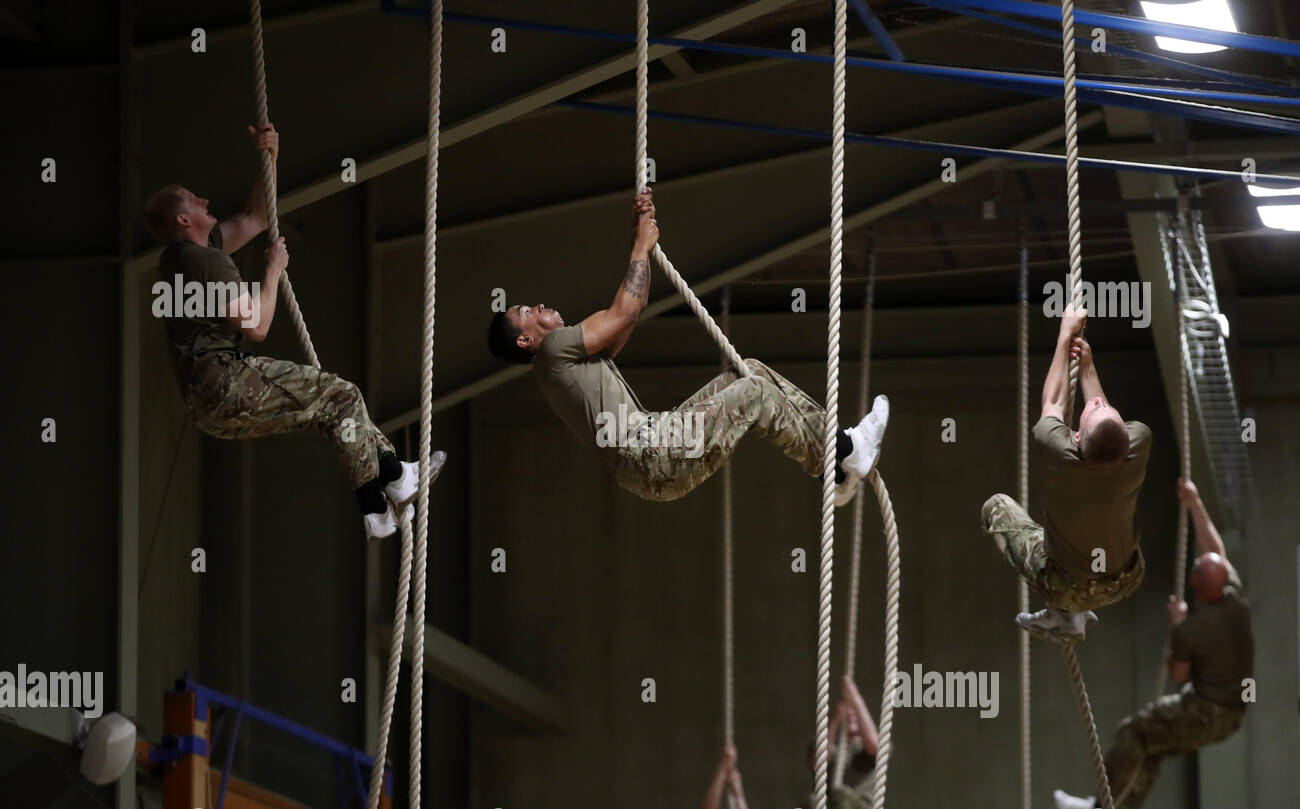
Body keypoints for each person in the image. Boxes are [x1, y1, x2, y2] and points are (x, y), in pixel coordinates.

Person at [486, 188, 889, 507]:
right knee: (754, 392)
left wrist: (638, 238)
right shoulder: (553, 350)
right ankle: (844, 451)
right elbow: (623, 313)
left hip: (652, 450)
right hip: (648, 453)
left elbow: (631, 311)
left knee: (750, 371)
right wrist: (640, 248)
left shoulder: (565, 363)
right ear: (525, 340)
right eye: (526, 310)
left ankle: (835, 468)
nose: (538, 305)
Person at [143, 123, 444, 539]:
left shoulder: (177, 261)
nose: (206, 200)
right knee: (342, 396)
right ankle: (381, 500)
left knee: (331, 412)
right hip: (225, 382)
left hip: (206, 410)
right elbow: (258, 326)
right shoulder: (206, 262)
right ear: (183, 217)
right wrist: (272, 271)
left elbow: (255, 218)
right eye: (196, 200)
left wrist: (269, 157)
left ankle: (390, 487)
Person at [1053, 479, 1253, 809]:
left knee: (1132, 733)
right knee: (1150, 748)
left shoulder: (1191, 631)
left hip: (1208, 710)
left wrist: (1177, 628)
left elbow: (1178, 674)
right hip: (1228, 714)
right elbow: (1216, 550)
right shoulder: (1235, 602)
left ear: (1197, 587)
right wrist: (1194, 503)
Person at [981, 304, 1151, 639]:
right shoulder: (1138, 443)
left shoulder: (1059, 451)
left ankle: (1064, 612)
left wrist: (1064, 334)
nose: (1098, 402)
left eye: (1094, 410)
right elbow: (1102, 429)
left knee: (995, 507)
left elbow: (1054, 405)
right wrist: (1087, 368)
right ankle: (1069, 616)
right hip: (1125, 579)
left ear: (1074, 438)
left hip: (1069, 587)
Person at [799, 675, 879, 809]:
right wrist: (836, 718)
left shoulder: (866, 748)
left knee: (841, 795)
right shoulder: (833, 749)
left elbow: (875, 745)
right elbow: (817, 763)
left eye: (856, 716)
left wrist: (856, 701)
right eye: (848, 715)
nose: (852, 717)